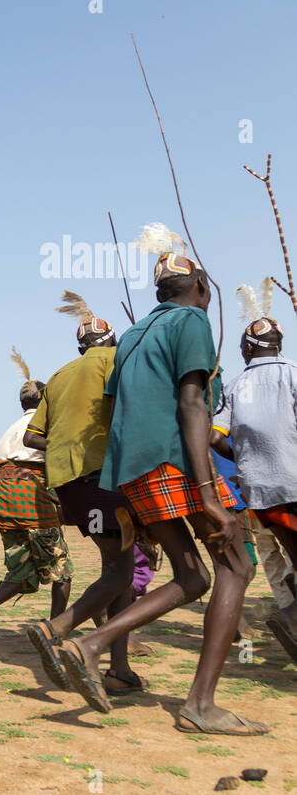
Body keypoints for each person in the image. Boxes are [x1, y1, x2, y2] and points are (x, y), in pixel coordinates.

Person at [58, 250, 266, 735]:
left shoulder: (133, 335)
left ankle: (90, 646)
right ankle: (201, 705)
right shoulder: (192, 320)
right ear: (198, 285)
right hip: (171, 459)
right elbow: (192, 402)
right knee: (237, 563)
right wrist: (209, 489)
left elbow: (123, 403)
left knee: (192, 577)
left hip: (130, 468)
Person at [19, 302, 141, 695]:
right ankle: (57, 629)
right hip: (103, 481)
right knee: (120, 573)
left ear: (81, 349)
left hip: (71, 487)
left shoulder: (58, 376)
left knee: (117, 570)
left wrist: (68, 443)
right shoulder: (117, 362)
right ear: (114, 342)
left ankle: (119, 669)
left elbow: (31, 437)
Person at [211, 315, 297, 663]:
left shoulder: (234, 385)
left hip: (257, 493)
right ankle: (290, 616)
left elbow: (215, 435)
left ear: (247, 348)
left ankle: (290, 614)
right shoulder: (293, 373)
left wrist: (245, 460)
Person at [0, 374, 72, 635]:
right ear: (47, 400)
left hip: (4, 502)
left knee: (22, 570)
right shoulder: (42, 427)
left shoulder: (11, 429)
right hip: (31, 502)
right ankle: (54, 630)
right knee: (62, 571)